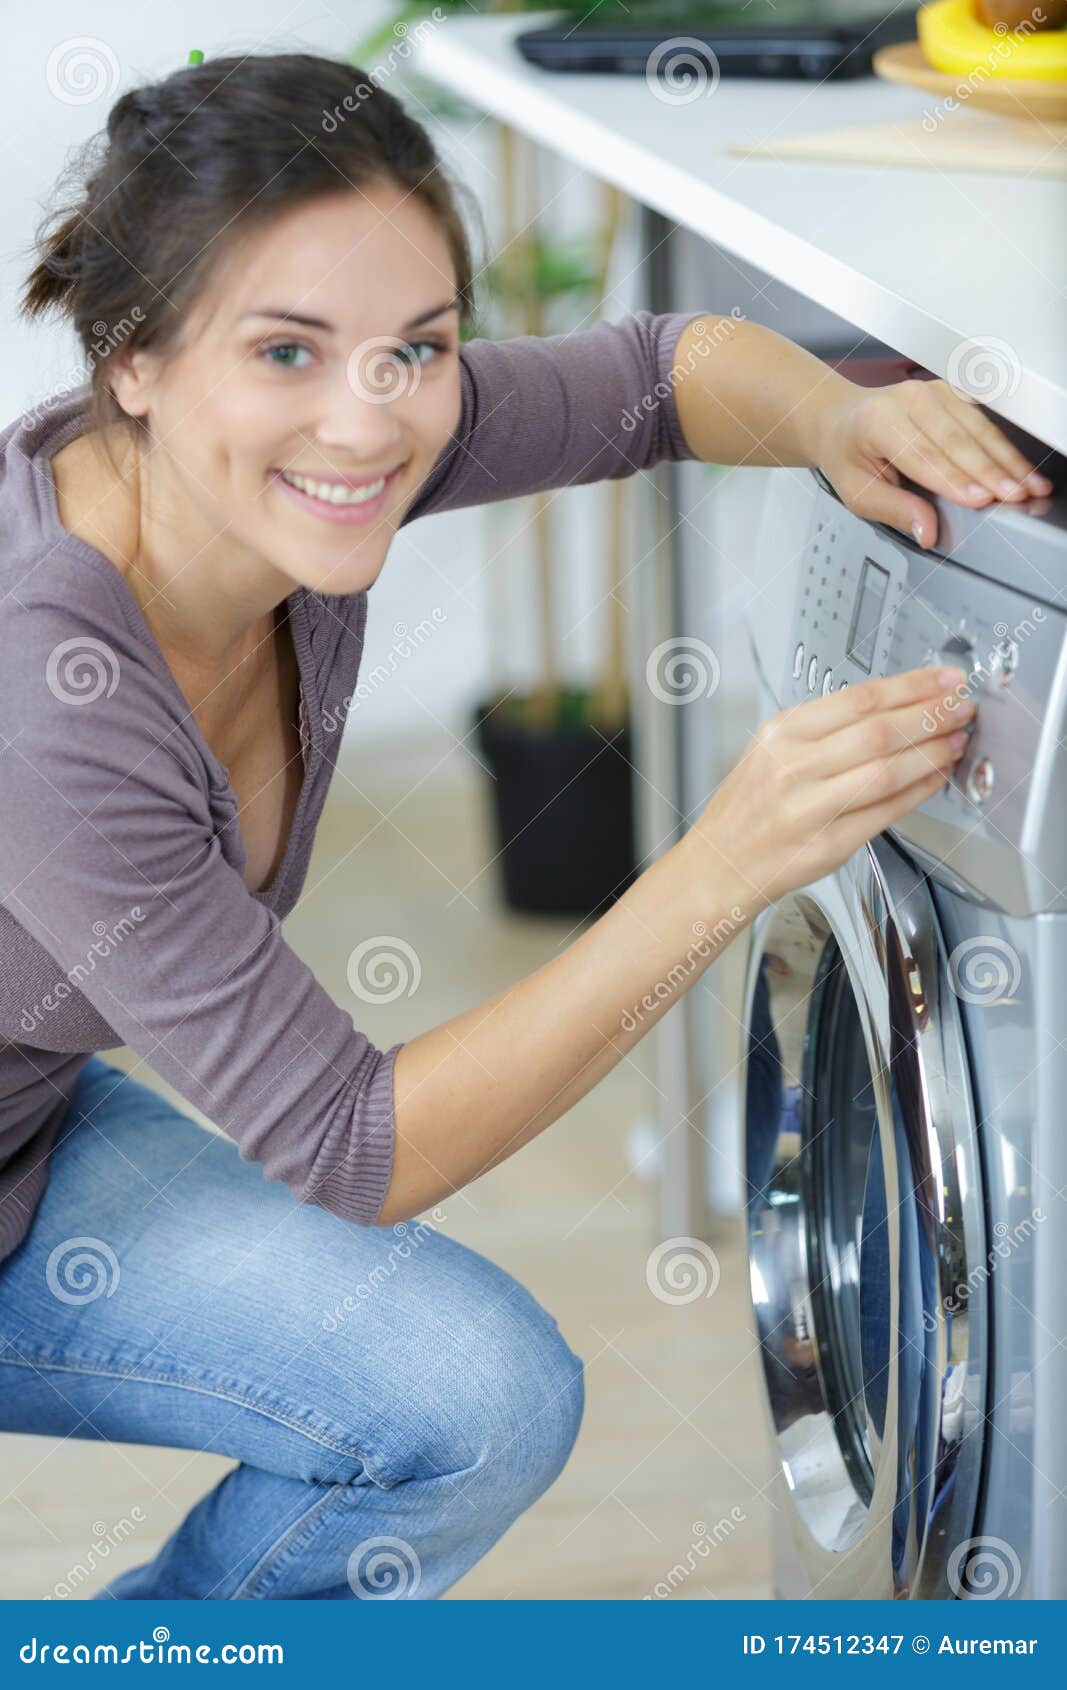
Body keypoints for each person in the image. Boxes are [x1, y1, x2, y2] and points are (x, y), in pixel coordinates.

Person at [0, 51, 1049, 1601]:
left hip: (28, 1139)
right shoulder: (48, 688)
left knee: (476, 1397)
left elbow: (656, 371)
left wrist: (836, 417)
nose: (366, 422)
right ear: (131, 359)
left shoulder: (291, 463)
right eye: (285, 350)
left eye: (415, 348)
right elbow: (362, 1144)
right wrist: (724, 861)